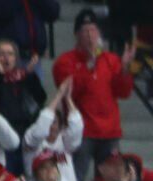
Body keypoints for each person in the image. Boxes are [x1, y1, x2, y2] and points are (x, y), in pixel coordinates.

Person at [51, 10, 131, 169]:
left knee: (110, 180)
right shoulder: (64, 62)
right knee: (77, 178)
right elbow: (71, 93)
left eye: (93, 30)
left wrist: (125, 70)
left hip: (110, 131)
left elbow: (123, 92)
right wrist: (89, 65)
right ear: (76, 35)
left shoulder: (111, 60)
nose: (90, 35)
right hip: (82, 131)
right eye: (85, 31)